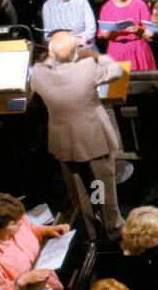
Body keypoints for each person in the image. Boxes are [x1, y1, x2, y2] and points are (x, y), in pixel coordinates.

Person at [29, 32, 127, 237]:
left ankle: (90, 230)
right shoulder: (87, 67)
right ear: (76, 52)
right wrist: (96, 55)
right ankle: (112, 227)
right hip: (93, 138)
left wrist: (53, 53)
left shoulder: (38, 73)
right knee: (102, 184)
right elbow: (116, 70)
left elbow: (42, 70)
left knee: (79, 189)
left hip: (63, 141)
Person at [99, 0, 155, 71]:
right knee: (119, 85)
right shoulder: (106, 7)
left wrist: (139, 30)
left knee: (142, 85)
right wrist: (105, 34)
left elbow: (149, 32)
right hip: (115, 51)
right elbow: (102, 33)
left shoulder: (139, 4)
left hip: (137, 50)